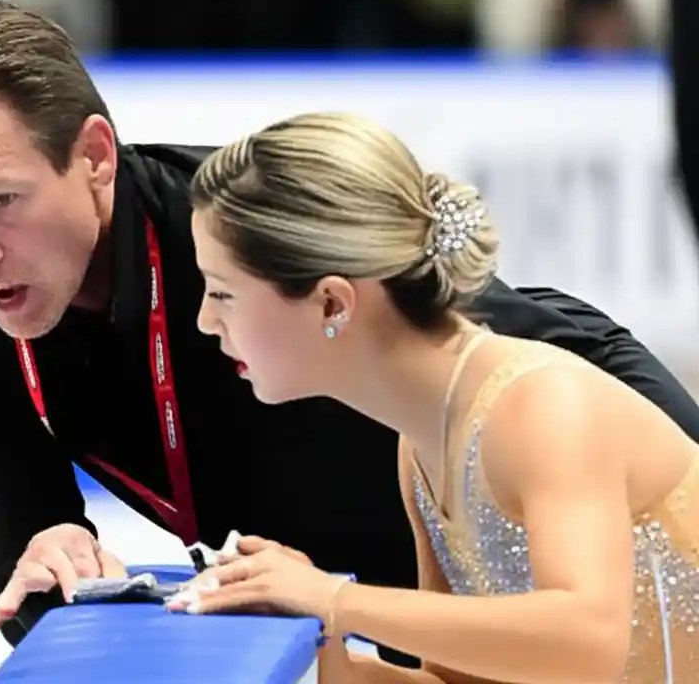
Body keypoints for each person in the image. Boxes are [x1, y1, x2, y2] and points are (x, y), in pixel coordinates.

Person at [0, 0, 699, 664]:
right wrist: (56, 565)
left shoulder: (237, 228)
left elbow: (513, 354)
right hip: (394, 610)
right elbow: (37, 593)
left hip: (542, 581)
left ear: (94, 156)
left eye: (0, 201)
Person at [165, 111, 698, 682]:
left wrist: (335, 600)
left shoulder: (542, 405)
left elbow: (590, 643)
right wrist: (317, 636)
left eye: (222, 292)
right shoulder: (421, 444)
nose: (205, 321)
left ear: (332, 303)